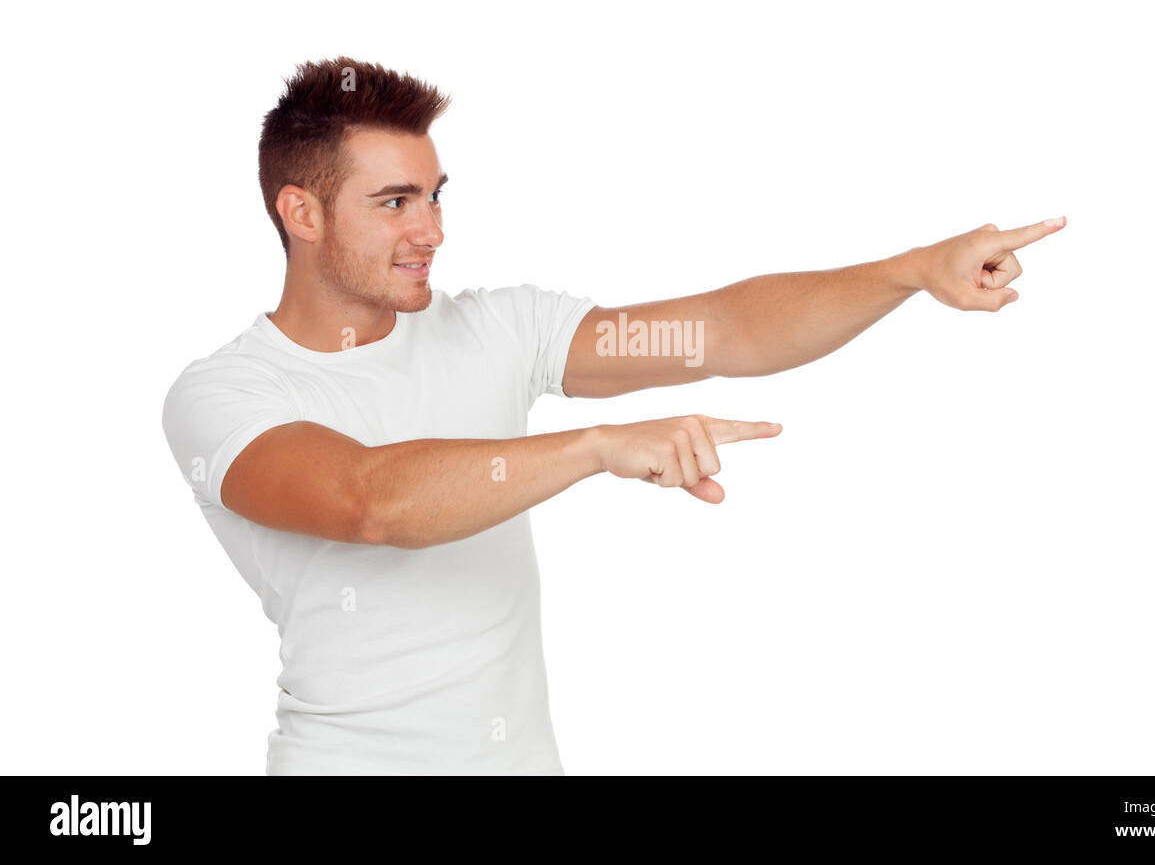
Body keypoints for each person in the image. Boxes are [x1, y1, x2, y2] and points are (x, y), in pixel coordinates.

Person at [161, 56, 1067, 775]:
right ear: (301, 211)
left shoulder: (501, 327)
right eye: (394, 202)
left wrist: (909, 270)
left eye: (436, 196)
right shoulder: (223, 396)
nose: (431, 229)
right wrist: (596, 447)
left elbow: (719, 331)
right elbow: (372, 502)